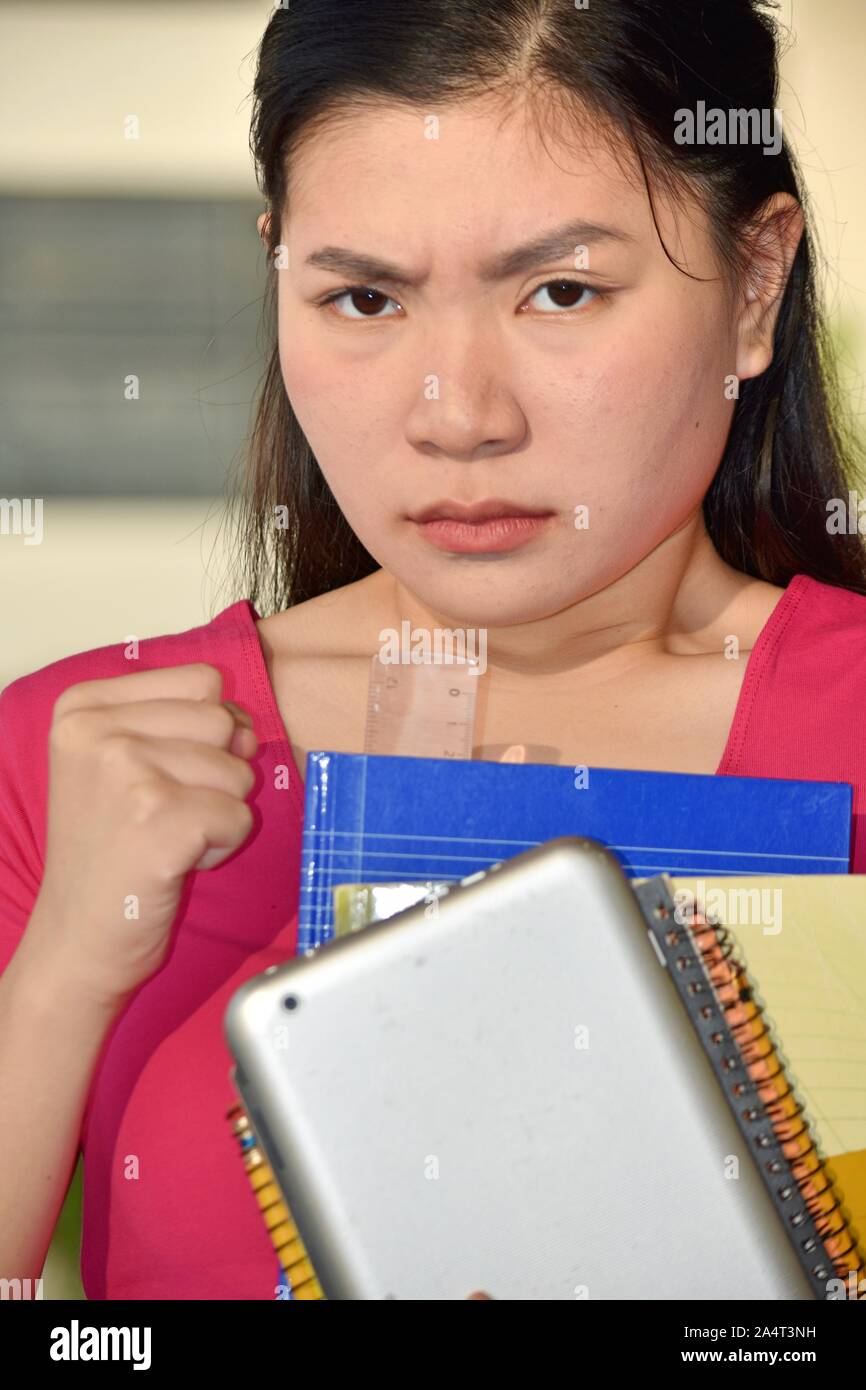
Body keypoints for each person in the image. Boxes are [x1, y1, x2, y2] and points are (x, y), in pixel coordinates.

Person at [2, 0, 865, 1301]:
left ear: (753, 283)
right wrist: (68, 963)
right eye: (362, 296)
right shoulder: (84, 752)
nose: (456, 414)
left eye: (560, 290)